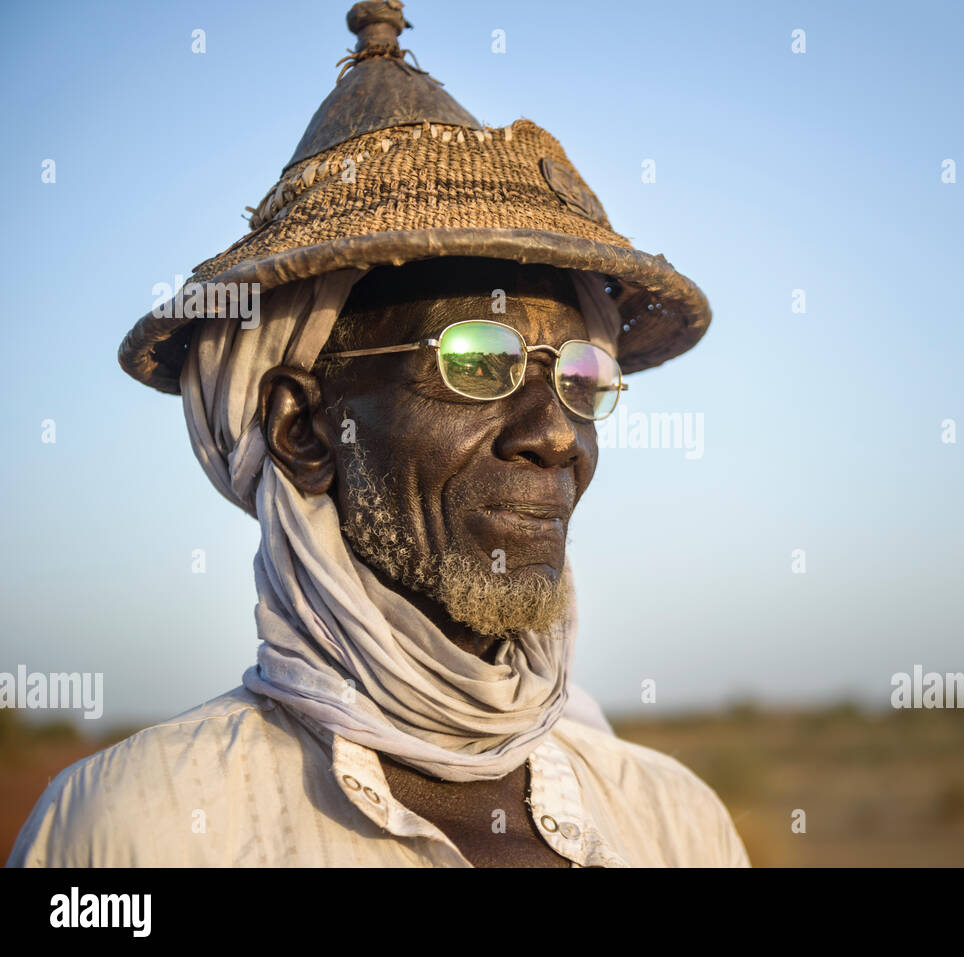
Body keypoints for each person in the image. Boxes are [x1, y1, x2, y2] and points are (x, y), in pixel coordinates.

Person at [7, 0, 747, 868]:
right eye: (478, 360)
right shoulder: (144, 826)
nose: (556, 435)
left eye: (581, 377)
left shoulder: (676, 825)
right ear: (301, 428)